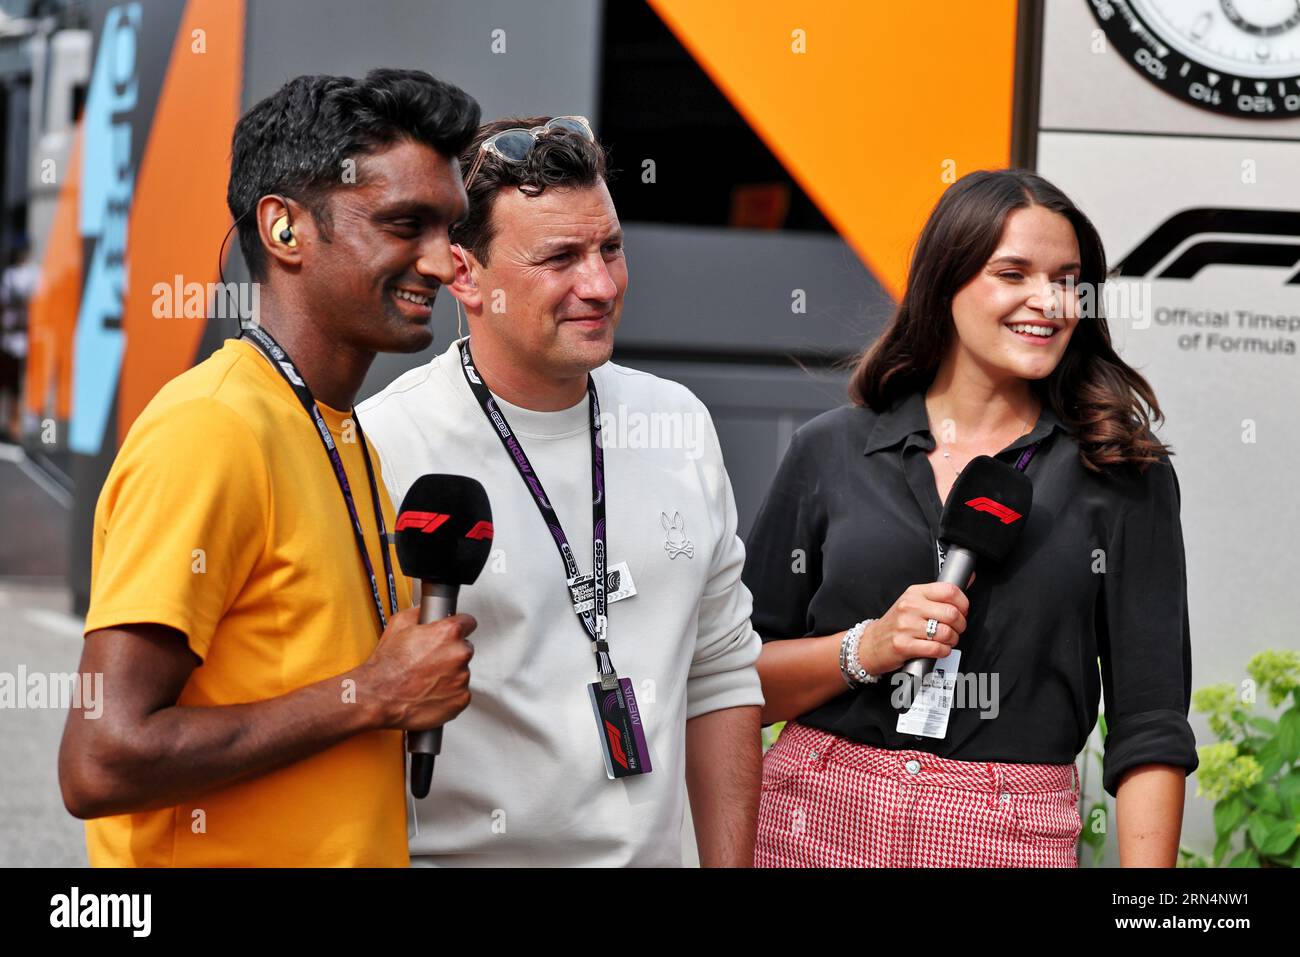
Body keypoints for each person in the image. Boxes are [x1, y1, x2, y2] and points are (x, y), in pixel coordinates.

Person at [58, 69, 483, 866]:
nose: (442, 262)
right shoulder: (211, 430)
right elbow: (100, 758)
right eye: (405, 224)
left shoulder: (336, 430)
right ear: (286, 230)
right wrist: (373, 694)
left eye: (450, 228)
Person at [744, 169, 1198, 868]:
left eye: (1067, 279)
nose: (1047, 301)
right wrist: (864, 647)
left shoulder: (1123, 474)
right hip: (814, 818)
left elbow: (1150, 722)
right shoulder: (829, 450)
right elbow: (737, 680)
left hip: (1006, 834)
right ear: (945, 282)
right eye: (1012, 273)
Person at [358, 116, 764, 866]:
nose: (600, 284)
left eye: (610, 247)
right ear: (463, 273)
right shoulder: (382, 447)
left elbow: (722, 674)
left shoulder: (678, 423)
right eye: (561, 257)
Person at [0, 242, 38, 441]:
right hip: (13, 339)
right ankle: (12, 425)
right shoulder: (14, 275)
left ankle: (15, 426)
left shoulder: (26, 275)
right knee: (12, 384)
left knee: (16, 386)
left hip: (22, 338)